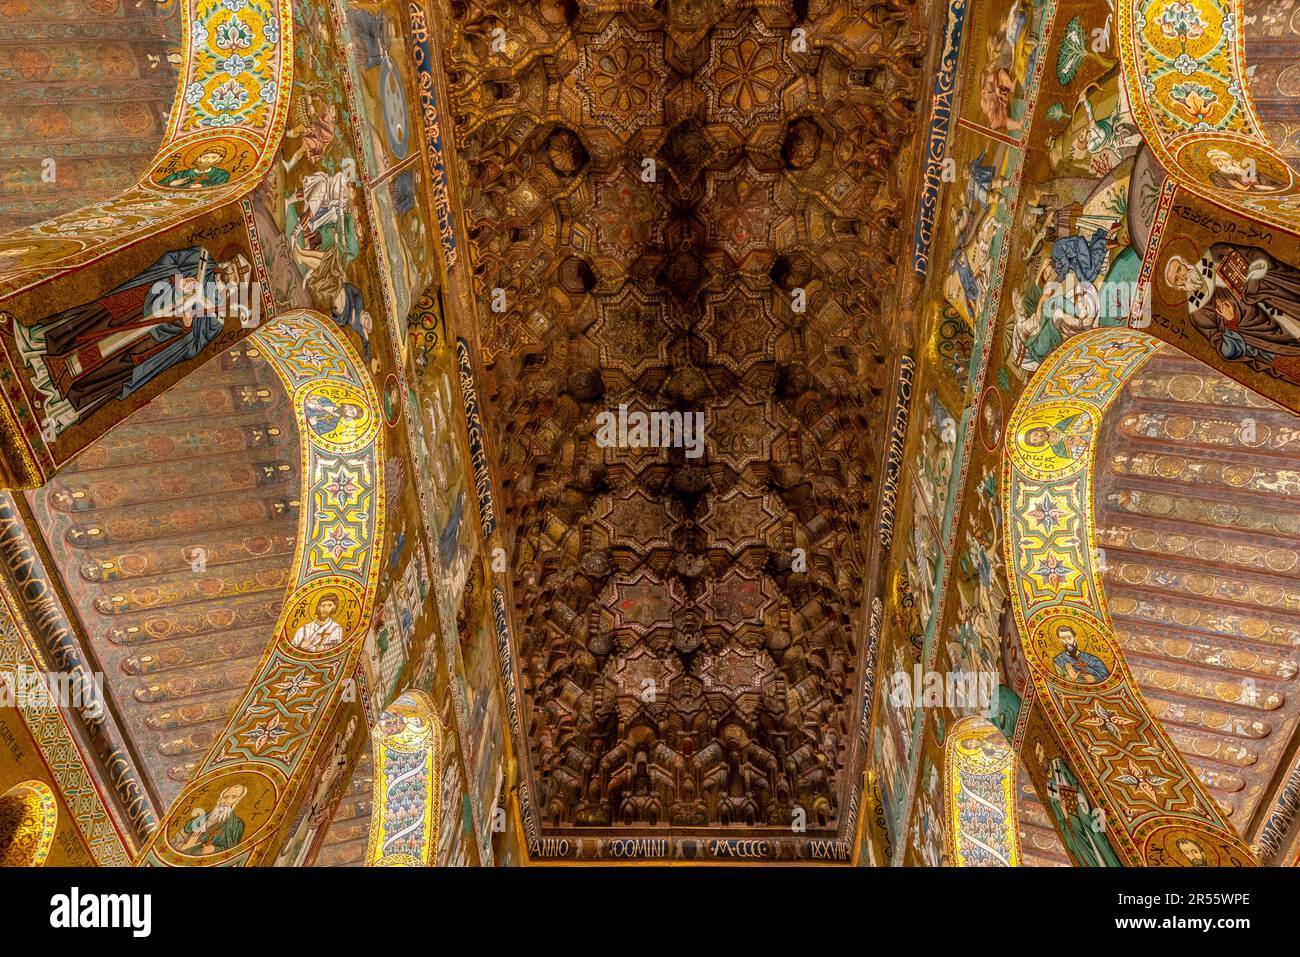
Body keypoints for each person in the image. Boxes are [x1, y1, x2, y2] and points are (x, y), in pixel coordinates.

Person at [177, 784, 247, 856]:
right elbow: (175, 842)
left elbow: (233, 851)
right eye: (225, 797)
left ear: (239, 800)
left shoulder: (237, 824)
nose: (226, 802)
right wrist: (187, 846)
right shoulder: (200, 819)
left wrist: (215, 850)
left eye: (234, 797)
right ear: (220, 799)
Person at [158, 147, 232, 189]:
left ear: (219, 160)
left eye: (213, 157)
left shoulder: (221, 174)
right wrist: (170, 184)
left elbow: (221, 188)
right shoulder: (180, 174)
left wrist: (202, 186)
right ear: (199, 159)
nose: (208, 160)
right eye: (205, 157)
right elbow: (157, 186)